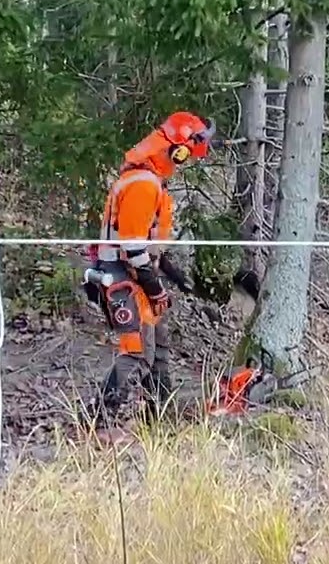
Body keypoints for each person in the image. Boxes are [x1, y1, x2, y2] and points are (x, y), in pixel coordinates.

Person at [82, 111, 216, 429]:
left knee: (158, 355)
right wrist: (154, 286)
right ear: (177, 150)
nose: (184, 164)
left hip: (136, 276)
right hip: (125, 278)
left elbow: (147, 242)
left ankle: (159, 423)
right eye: (186, 156)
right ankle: (97, 422)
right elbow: (132, 247)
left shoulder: (149, 181)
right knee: (136, 353)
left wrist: (171, 275)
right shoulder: (142, 184)